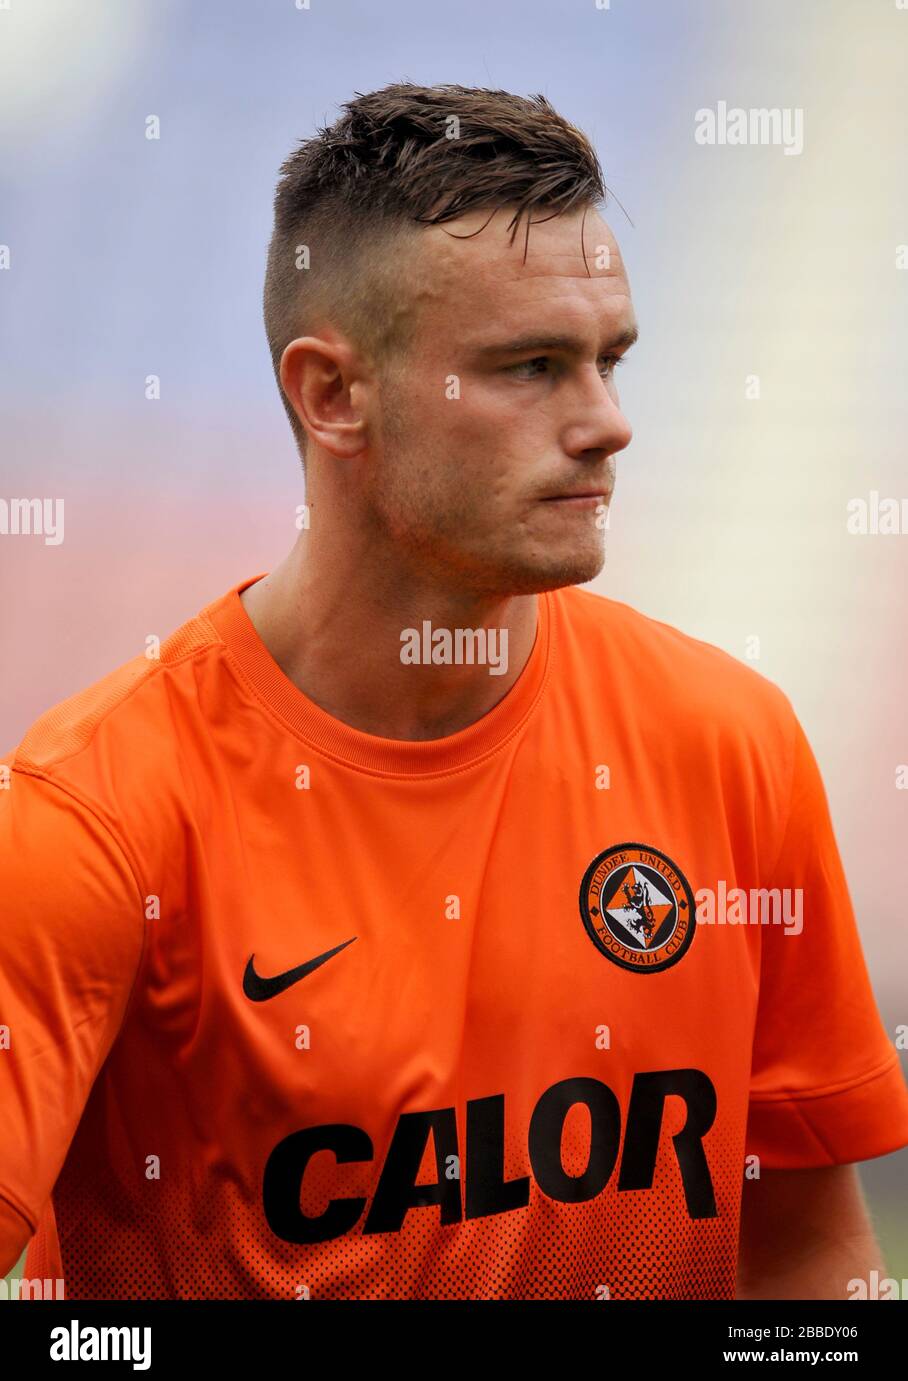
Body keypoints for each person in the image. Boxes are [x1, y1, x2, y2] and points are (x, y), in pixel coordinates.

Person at [1, 81, 906, 1300]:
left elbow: (804, 1255)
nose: (606, 424)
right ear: (333, 395)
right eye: (530, 367)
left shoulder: (727, 739)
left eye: (608, 361)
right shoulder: (91, 816)